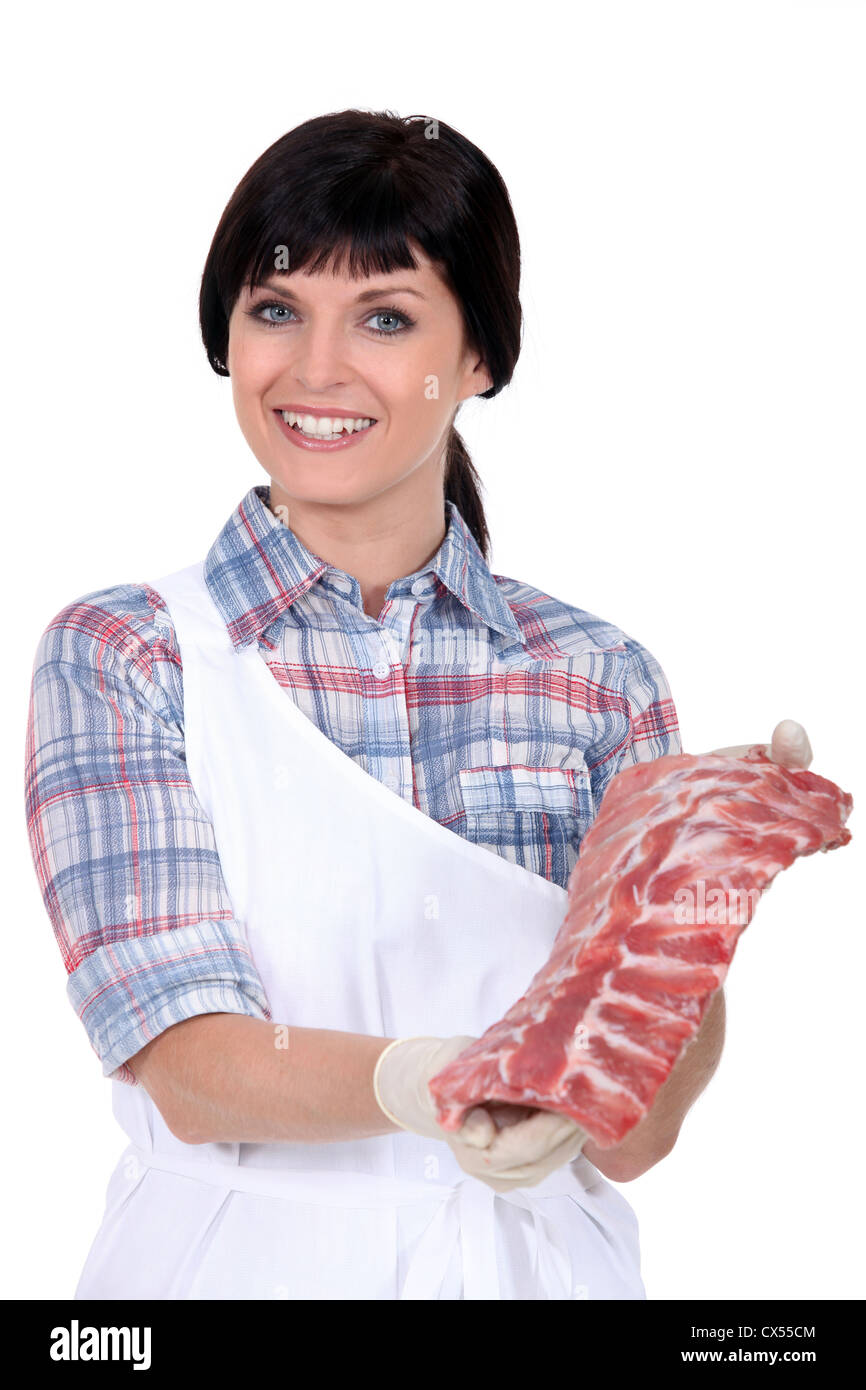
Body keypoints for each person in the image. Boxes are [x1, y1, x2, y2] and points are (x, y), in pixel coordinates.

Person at [24, 109, 812, 1301]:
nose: (319, 369)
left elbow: (633, 1136)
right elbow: (188, 1067)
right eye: (275, 309)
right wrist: (439, 1081)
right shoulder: (129, 655)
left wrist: (691, 895)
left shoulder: (596, 676)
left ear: (479, 358)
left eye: (385, 318)